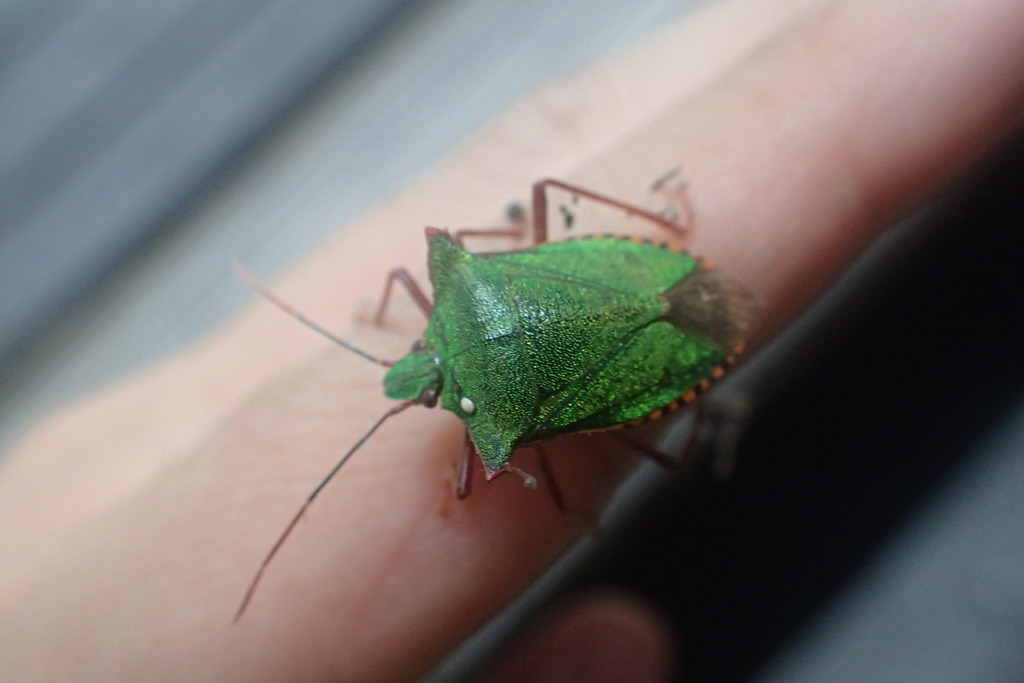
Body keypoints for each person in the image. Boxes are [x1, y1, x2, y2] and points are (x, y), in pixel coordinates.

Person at [2, 0, 1021, 680]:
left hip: (659, 340)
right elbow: (467, 277)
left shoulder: (502, 435)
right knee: (546, 208)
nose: (411, 370)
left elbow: (515, 483)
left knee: (623, 454)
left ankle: (710, 402)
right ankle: (670, 250)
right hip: (647, 274)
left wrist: (555, 503)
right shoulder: (465, 289)